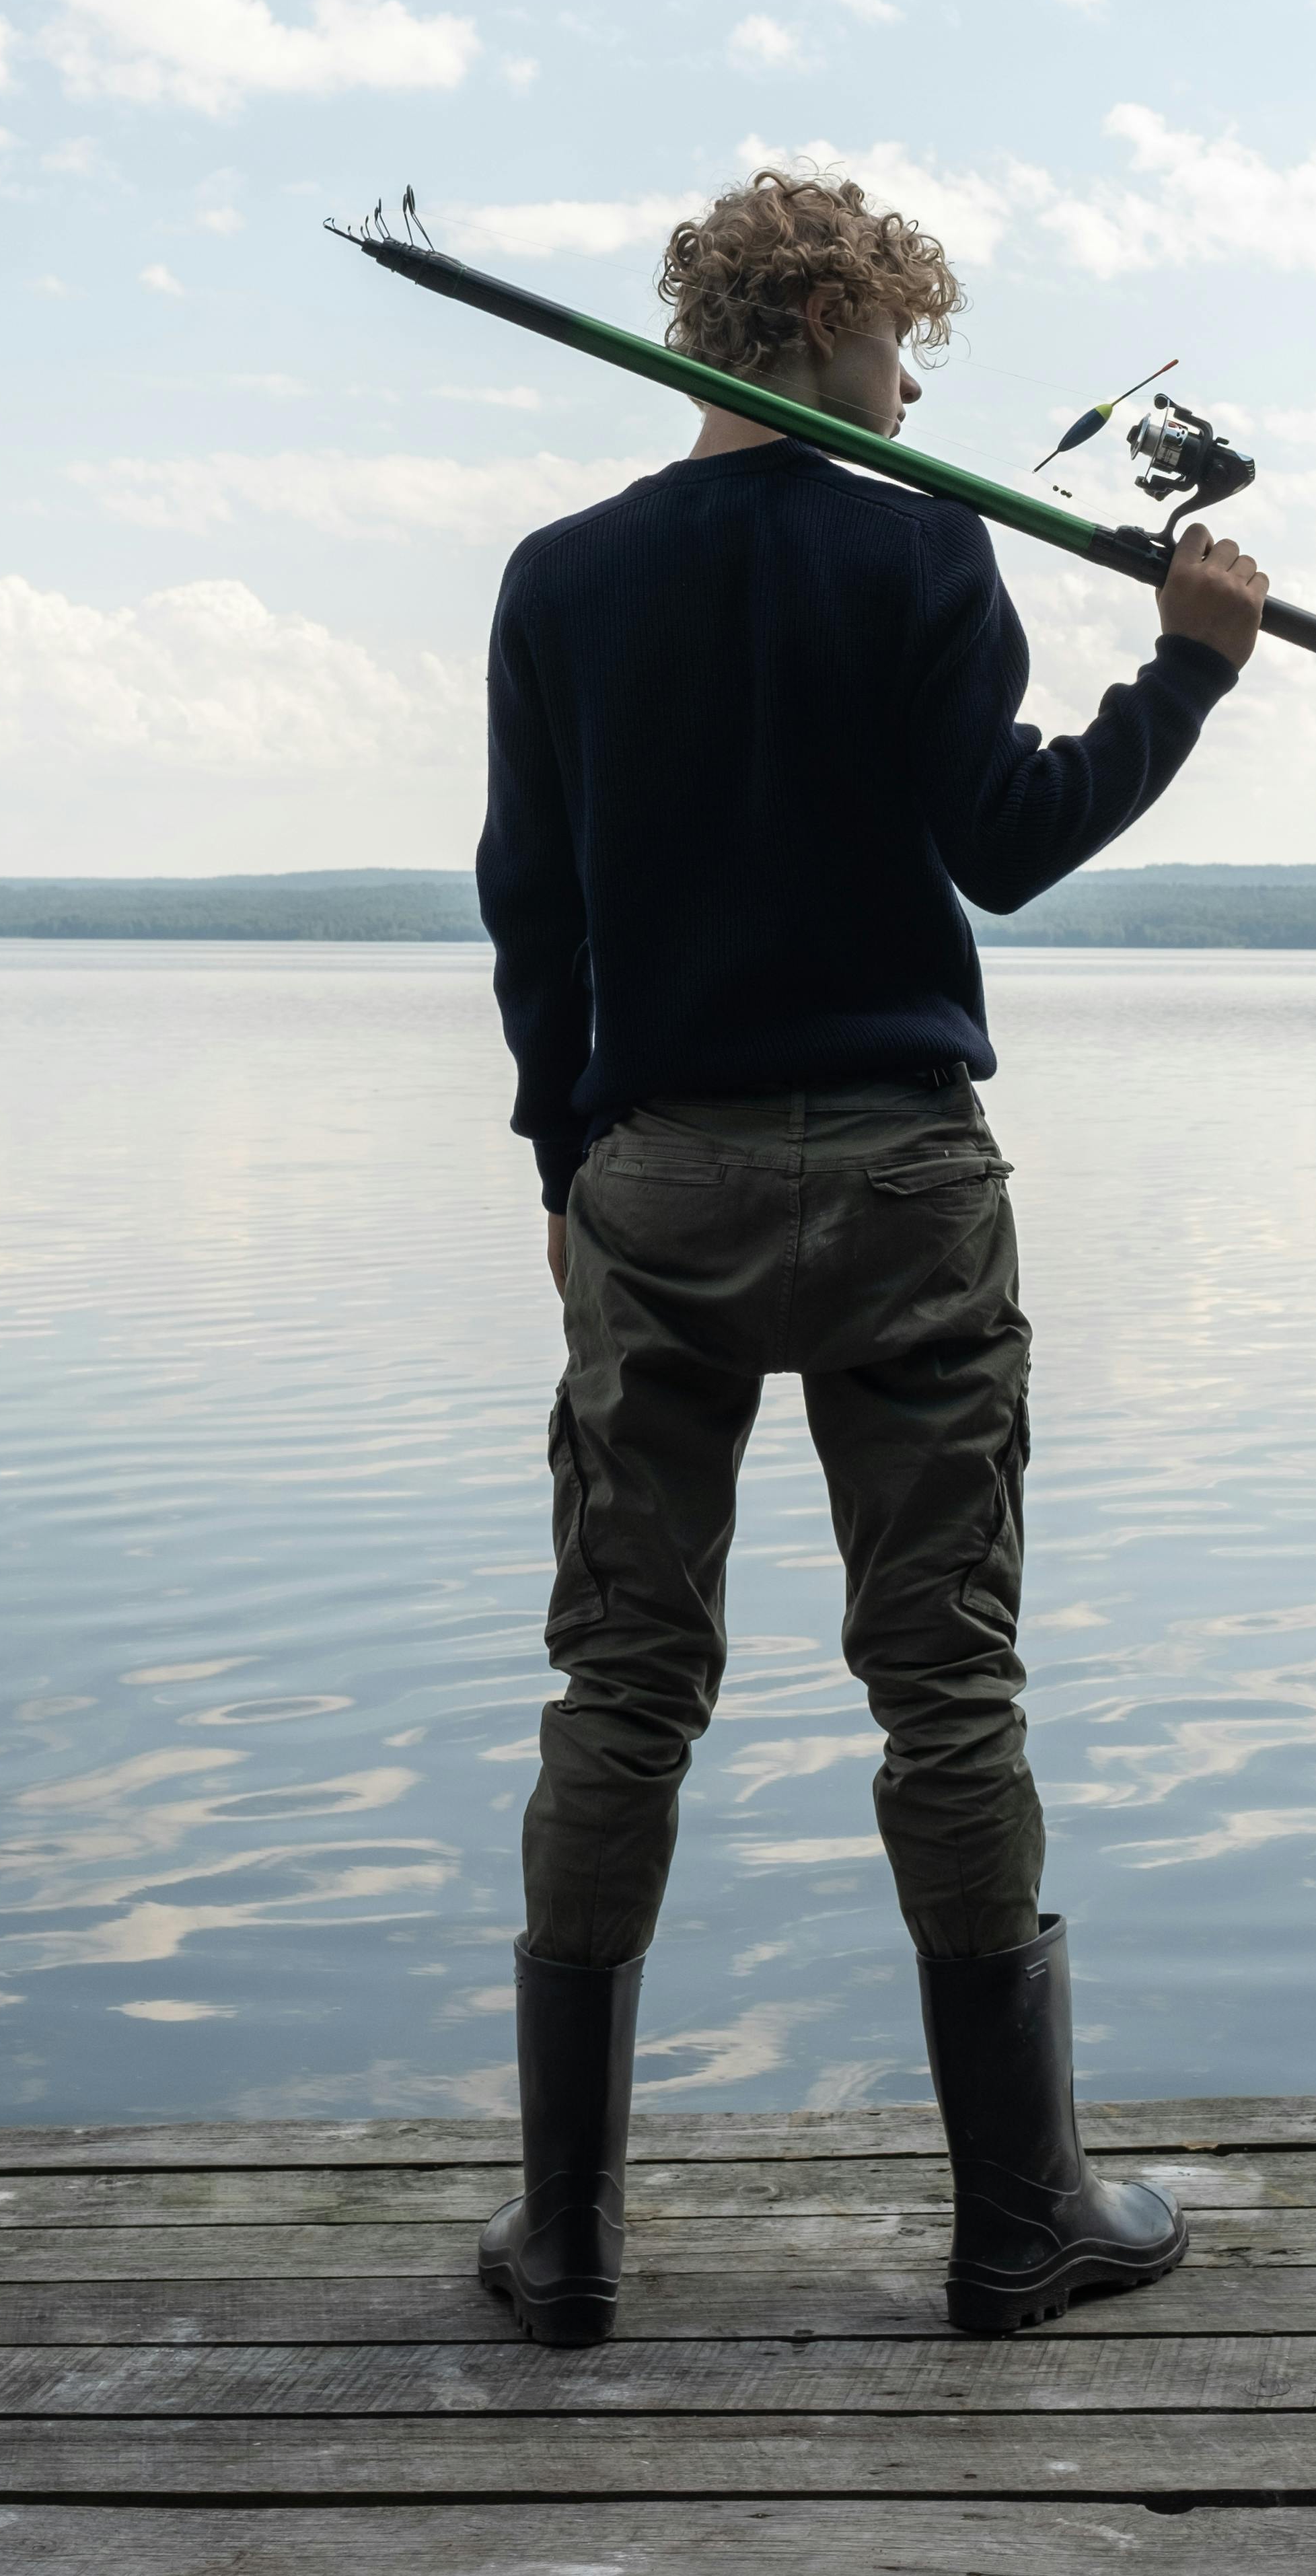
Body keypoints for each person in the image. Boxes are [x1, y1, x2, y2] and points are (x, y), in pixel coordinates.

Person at [472, 169, 1267, 2345]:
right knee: (947, 1687)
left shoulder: (557, 579)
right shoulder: (923, 541)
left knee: (622, 1685)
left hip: (656, 1180)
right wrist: (1187, 675)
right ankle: (1021, 2225)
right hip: (907, 1184)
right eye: (901, 342)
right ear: (820, 322)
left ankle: (566, 2248)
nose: (915, 387)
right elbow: (1005, 843)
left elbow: (529, 910)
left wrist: (569, 1160)